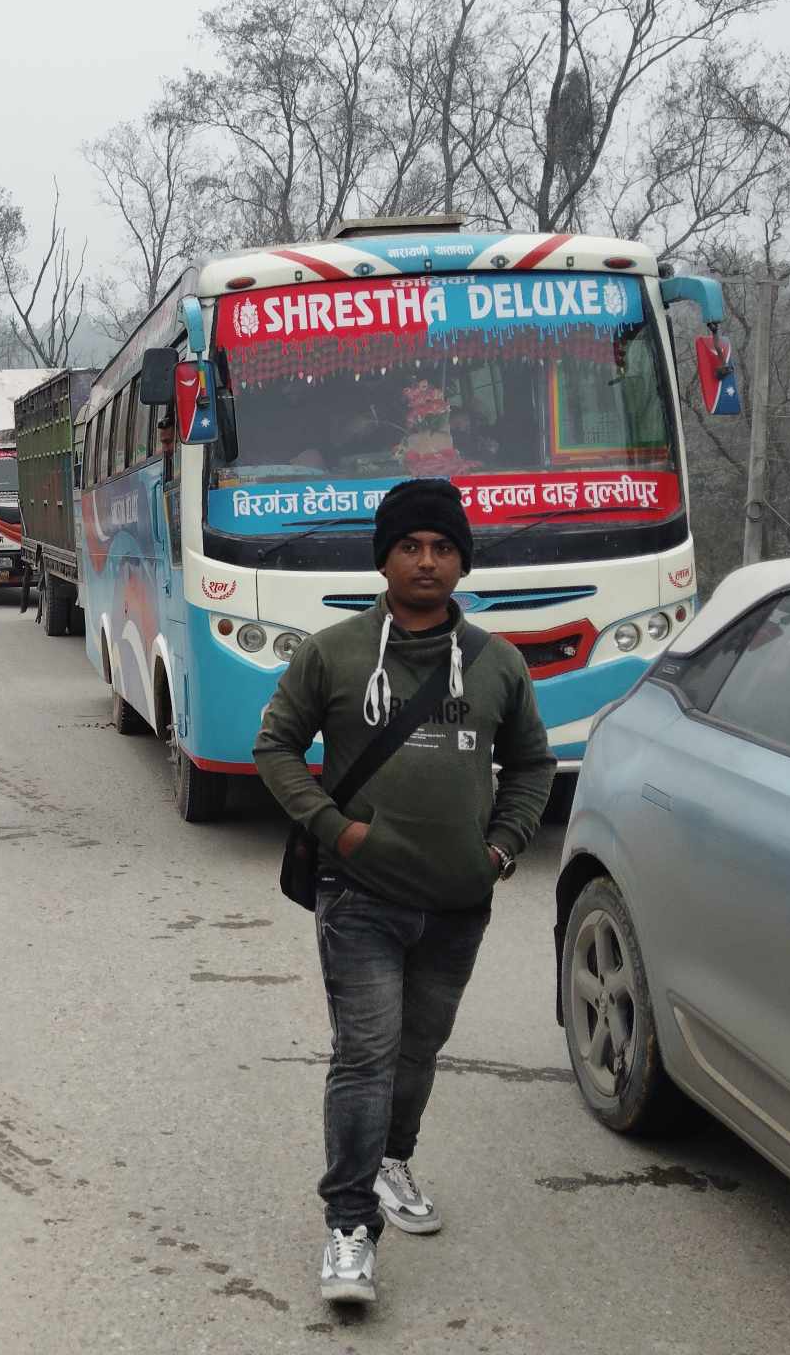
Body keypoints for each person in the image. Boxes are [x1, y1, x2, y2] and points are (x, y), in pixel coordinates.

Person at [252, 478, 554, 1310]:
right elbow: (275, 745)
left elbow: (530, 763)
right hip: (361, 897)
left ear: (462, 559)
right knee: (366, 1055)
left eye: (443, 547)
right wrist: (336, 831)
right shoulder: (336, 652)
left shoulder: (498, 664)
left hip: (460, 904)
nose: (427, 561)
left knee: (418, 1055)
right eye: (411, 547)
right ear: (383, 558)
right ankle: (349, 1229)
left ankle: (392, 1158)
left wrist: (502, 847)